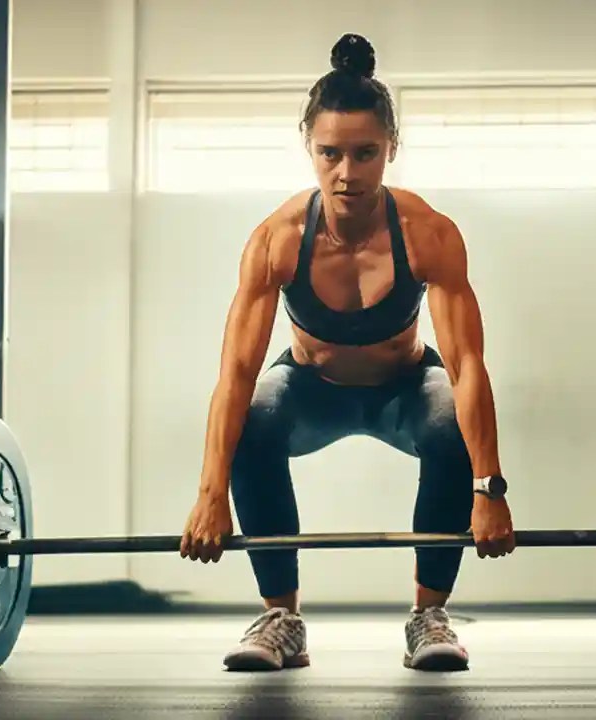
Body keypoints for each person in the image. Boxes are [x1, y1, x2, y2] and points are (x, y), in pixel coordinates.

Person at [178, 33, 516, 673]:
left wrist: (489, 489)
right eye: (330, 153)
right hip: (309, 389)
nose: (347, 172)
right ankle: (282, 618)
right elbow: (237, 374)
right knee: (251, 423)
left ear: (392, 149)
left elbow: (468, 366)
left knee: (451, 430)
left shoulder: (428, 235)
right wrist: (209, 492)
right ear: (309, 149)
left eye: (366, 154)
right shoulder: (276, 241)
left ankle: (429, 616)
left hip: (405, 388)